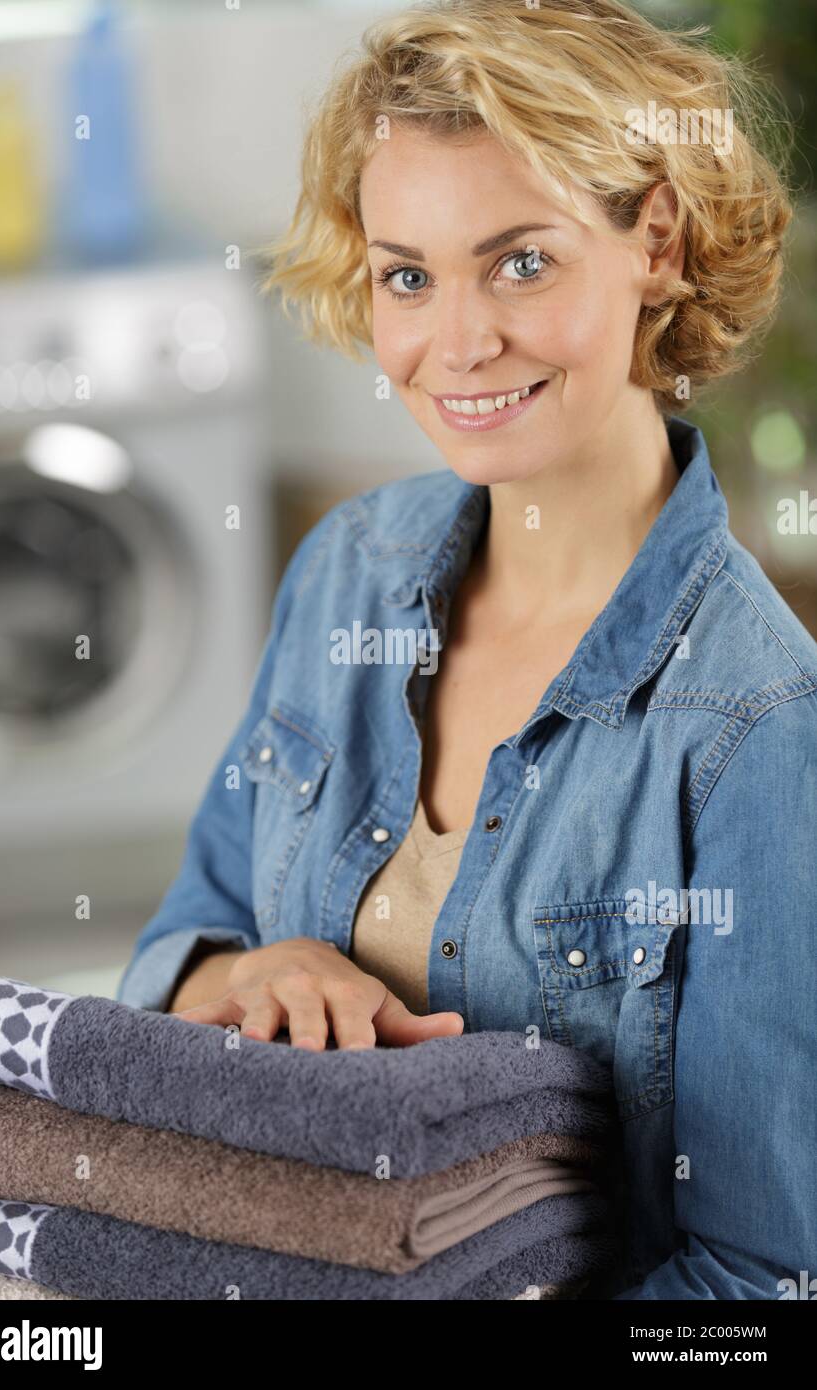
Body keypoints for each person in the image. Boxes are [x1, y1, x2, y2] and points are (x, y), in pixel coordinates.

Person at [118, 0, 815, 1299]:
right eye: (407, 274)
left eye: (520, 262)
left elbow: (752, 1278)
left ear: (652, 242)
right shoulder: (347, 571)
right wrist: (250, 965)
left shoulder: (755, 727)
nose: (457, 342)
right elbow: (186, 934)